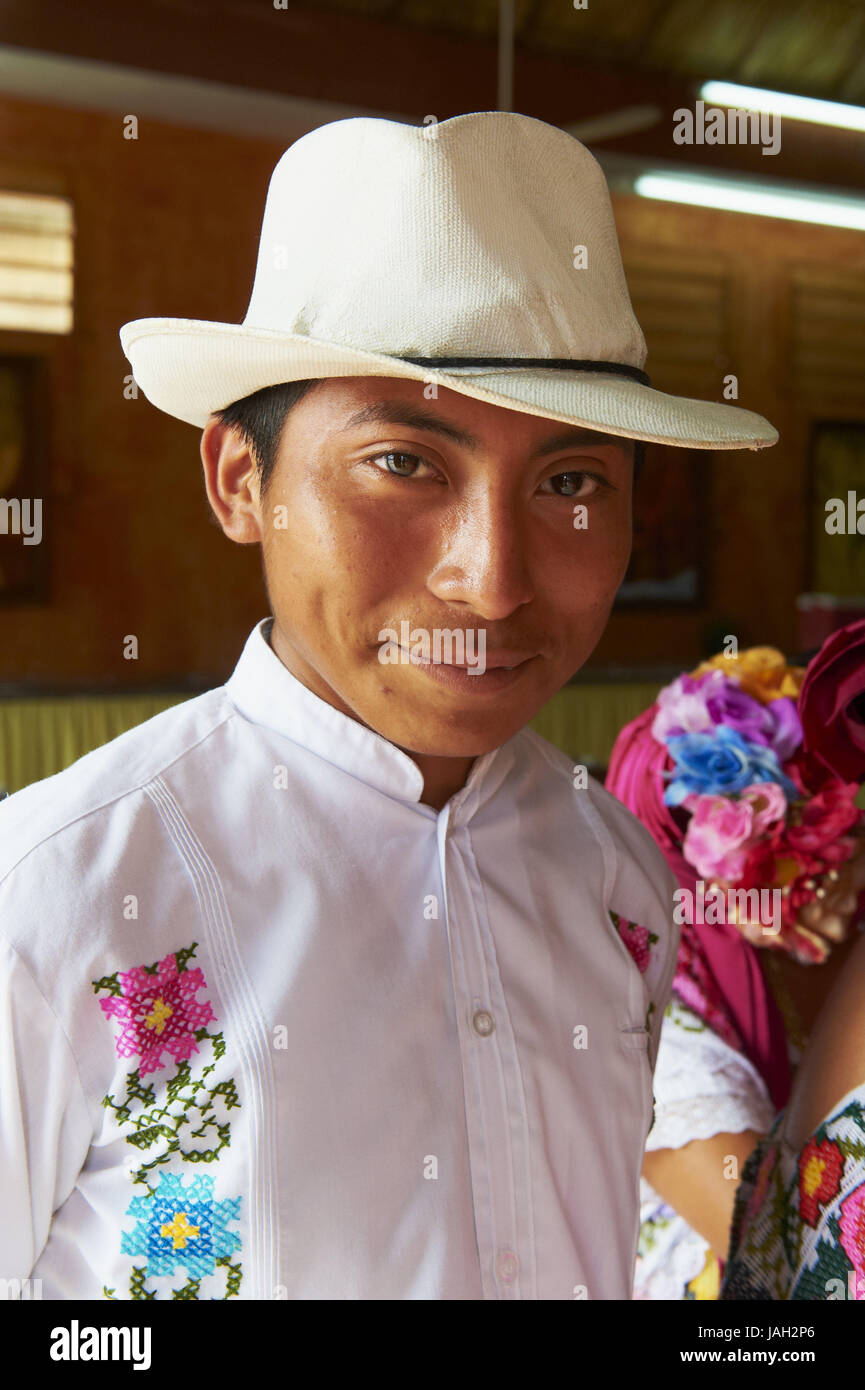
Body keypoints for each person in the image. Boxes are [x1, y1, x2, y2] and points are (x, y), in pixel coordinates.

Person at [0, 111, 778, 1301]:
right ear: (240, 480)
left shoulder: (617, 879)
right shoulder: (57, 894)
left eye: (569, 482)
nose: (493, 576)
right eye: (405, 463)